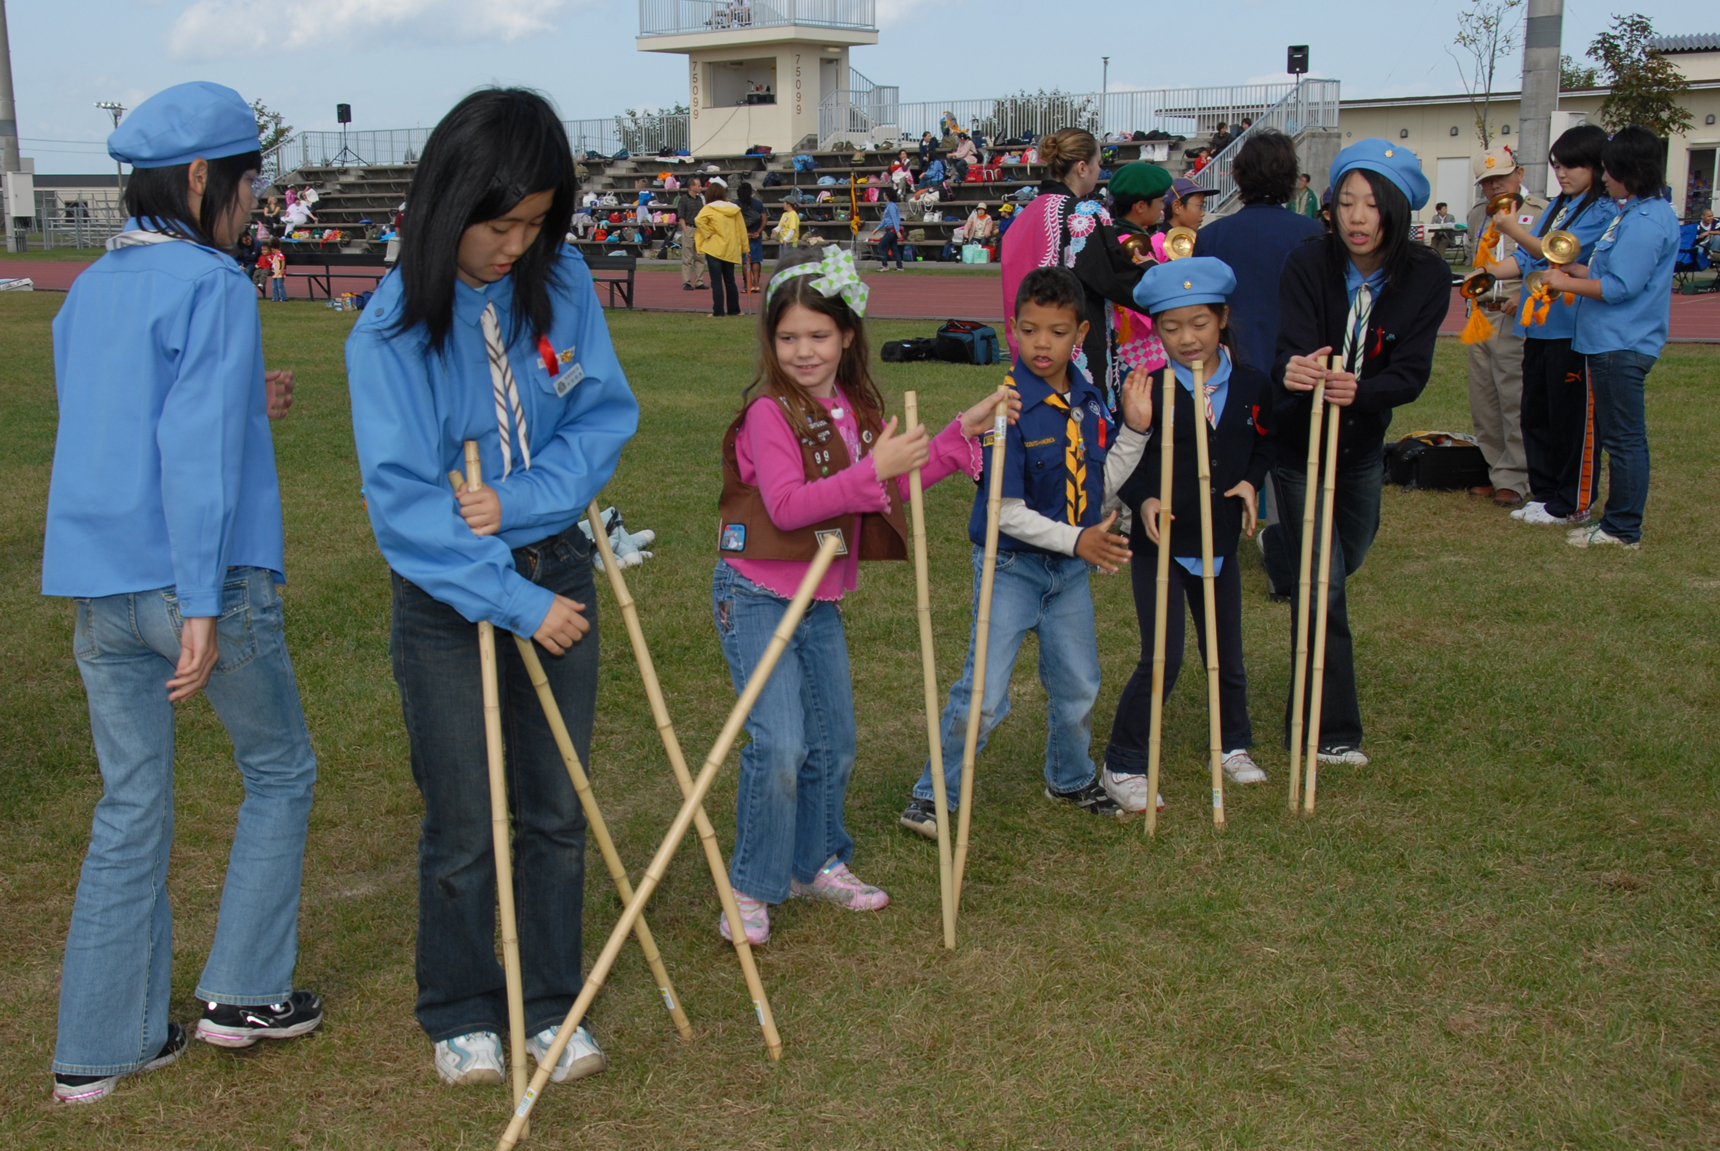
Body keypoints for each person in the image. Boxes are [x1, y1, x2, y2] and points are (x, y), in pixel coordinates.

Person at [345, 88, 638, 1089]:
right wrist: (513, 600)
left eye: (533, 224)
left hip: (552, 554)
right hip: (450, 600)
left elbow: (600, 418)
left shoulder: (559, 289)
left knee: (554, 805)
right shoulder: (389, 329)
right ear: (445, 203)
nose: (514, 245)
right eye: (498, 222)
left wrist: (518, 503)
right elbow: (407, 505)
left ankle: (553, 999)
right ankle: (464, 1003)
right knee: (464, 814)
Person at [43, 80, 320, 1105]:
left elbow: (129, 421)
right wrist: (201, 605)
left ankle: (97, 1046)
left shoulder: (87, 290)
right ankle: (244, 991)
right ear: (202, 177)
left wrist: (249, 398)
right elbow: (192, 451)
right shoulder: (211, 282)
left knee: (129, 804)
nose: (254, 205)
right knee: (280, 767)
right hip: (198, 581)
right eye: (250, 184)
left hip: (100, 588)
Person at [715, 246, 1009, 939]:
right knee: (782, 743)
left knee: (836, 742)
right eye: (788, 337)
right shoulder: (768, 413)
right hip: (757, 593)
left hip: (817, 600)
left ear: (847, 335)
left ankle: (815, 860)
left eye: (818, 335)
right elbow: (788, 507)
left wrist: (952, 437)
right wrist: (871, 468)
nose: (803, 351)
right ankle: (752, 886)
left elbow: (891, 482)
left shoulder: (854, 406)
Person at [900, 267, 1152, 834]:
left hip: (1069, 574)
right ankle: (933, 794)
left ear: (1080, 333)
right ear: (1013, 329)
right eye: (1031, 330)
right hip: (1009, 569)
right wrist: (1080, 540)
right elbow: (1004, 511)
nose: (1043, 344)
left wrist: (1134, 433)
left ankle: (1070, 775)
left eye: (1058, 332)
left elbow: (1096, 488)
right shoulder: (1006, 410)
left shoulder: (1088, 403)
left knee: (1079, 684)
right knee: (984, 693)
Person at [1273, 139, 1451, 766]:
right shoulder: (1307, 263)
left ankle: (1281, 547)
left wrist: (1364, 390)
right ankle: (1330, 728)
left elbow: (1412, 371)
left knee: (1347, 556)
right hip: (1299, 444)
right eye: (1345, 201)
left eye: (1371, 204)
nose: (1355, 216)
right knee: (1324, 589)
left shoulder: (1427, 275)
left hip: (1363, 445)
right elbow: (1287, 348)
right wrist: (1297, 370)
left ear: (1396, 211)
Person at [1104, 257, 1276, 811]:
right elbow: (1122, 463)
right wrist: (1143, 498)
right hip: (1161, 546)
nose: (1187, 338)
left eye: (1199, 323)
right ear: (1156, 331)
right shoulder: (1145, 388)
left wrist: (1251, 482)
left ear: (1223, 319)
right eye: (1172, 328)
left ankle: (1232, 744)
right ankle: (1124, 759)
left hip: (1220, 540)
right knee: (1165, 656)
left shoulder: (1251, 384)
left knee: (1226, 652)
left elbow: (1263, 443)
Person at [1192, 132, 1324, 600]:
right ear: (1292, 179)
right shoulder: (1315, 236)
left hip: (1234, 367)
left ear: (1238, 177)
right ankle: (1283, 540)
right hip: (1299, 369)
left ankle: (1219, 535)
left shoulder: (1211, 236)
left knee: (1225, 454)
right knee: (1293, 466)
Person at [1546, 125, 1680, 550]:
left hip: (1620, 343)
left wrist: (1564, 284)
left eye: (1609, 170)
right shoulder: (1633, 213)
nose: (1604, 178)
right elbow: (1608, 273)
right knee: (1620, 437)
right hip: (1608, 341)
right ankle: (1616, 523)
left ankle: (1622, 528)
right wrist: (1577, 272)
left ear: (1629, 170)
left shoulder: (1645, 220)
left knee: (1624, 440)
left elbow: (1621, 287)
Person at [1476, 124, 1613, 527]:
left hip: (1573, 327)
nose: (1563, 174)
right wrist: (1486, 273)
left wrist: (1510, 227)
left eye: (1572, 166)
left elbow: (1552, 251)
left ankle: (1573, 500)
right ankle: (1547, 492)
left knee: (1570, 419)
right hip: (1536, 326)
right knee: (1536, 413)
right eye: (1557, 166)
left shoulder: (1602, 209)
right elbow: (1524, 260)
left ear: (1597, 167)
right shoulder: (1559, 205)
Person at [1461, 145, 1547, 508]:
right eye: (1486, 182)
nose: (1494, 187)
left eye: (1501, 178)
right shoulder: (1478, 214)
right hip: (1481, 313)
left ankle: (1518, 477)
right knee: (1484, 400)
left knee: (1514, 396)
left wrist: (1528, 297)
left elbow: (1549, 259)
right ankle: (1497, 470)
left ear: (1520, 173)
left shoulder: (1541, 211)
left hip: (1515, 313)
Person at [1069, 161, 1172, 410]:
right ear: (1140, 206)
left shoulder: (1115, 236)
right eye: (1160, 202)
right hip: (1137, 345)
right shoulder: (1130, 244)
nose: (1162, 209)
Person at [696, 176, 747, 317]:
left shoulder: (708, 208)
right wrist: (745, 248)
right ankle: (734, 310)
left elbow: (698, 220)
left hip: (714, 247)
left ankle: (718, 311)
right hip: (730, 248)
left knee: (716, 281)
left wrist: (707, 233)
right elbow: (742, 229)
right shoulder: (734, 208)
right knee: (730, 280)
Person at [676, 176, 706, 291]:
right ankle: (686, 282)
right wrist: (685, 228)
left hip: (699, 230)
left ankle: (699, 281)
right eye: (698, 185)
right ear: (692, 187)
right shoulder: (684, 199)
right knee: (687, 257)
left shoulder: (699, 199)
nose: (700, 187)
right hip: (689, 227)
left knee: (700, 256)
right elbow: (681, 215)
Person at [738, 181, 766, 293]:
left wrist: (744, 233)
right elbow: (764, 219)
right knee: (756, 260)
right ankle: (756, 284)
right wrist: (758, 231)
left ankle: (748, 284)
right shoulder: (757, 204)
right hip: (756, 235)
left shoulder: (736, 204)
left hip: (743, 236)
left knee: (745, 261)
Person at [873, 187, 903, 270]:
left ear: (887, 195)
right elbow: (885, 220)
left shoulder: (891, 206)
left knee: (881, 246)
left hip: (891, 230)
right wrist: (877, 228)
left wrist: (897, 230)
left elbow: (895, 219)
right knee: (894, 248)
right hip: (890, 229)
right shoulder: (888, 206)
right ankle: (899, 266)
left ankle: (885, 265)